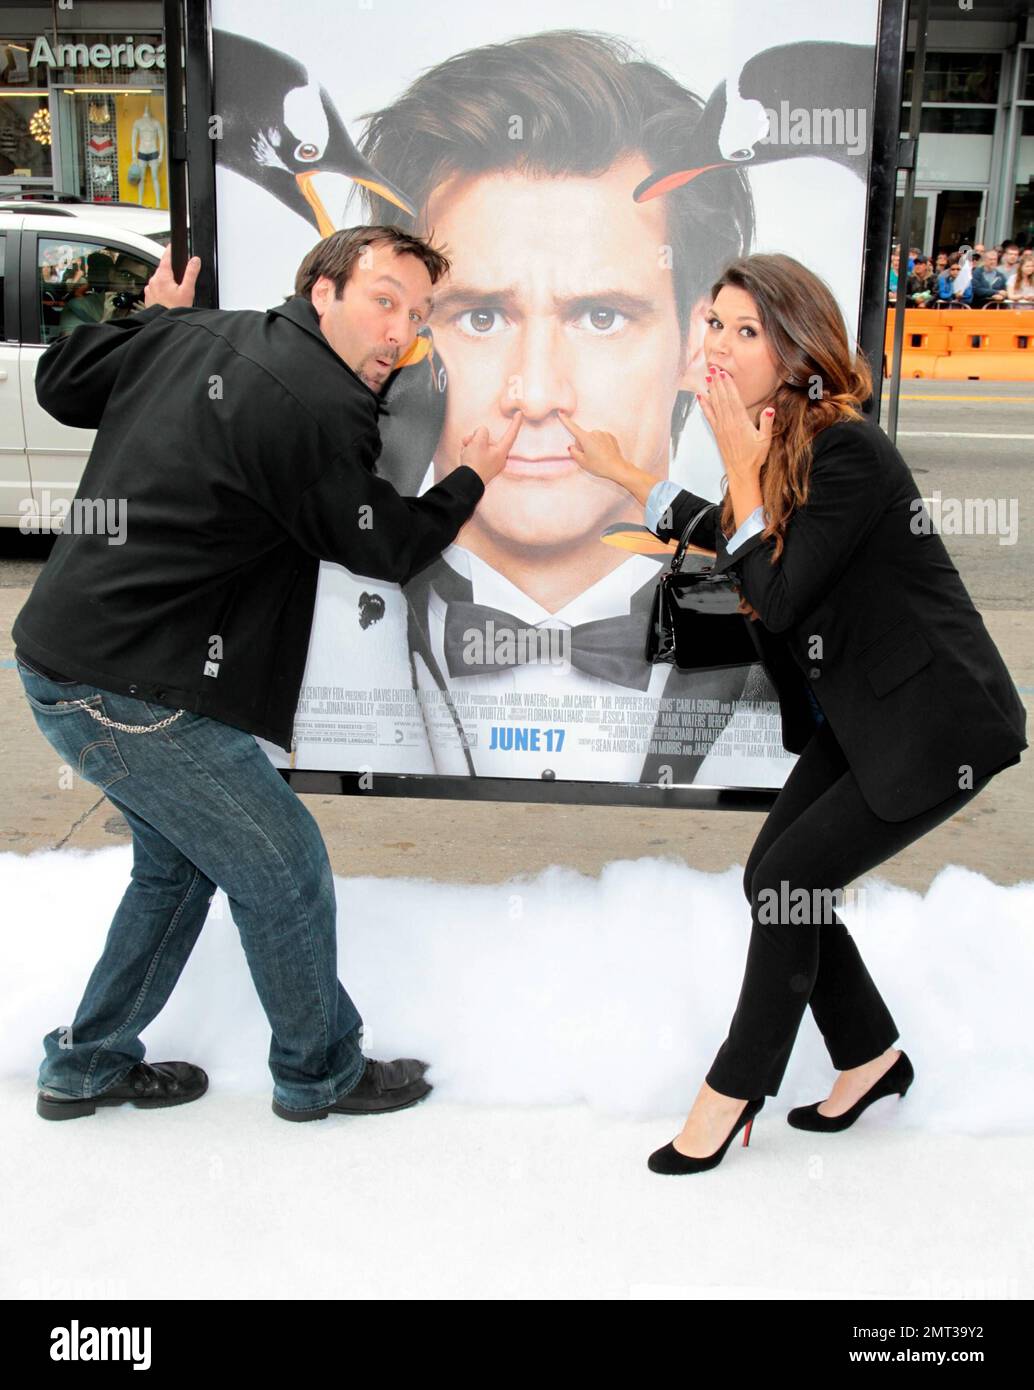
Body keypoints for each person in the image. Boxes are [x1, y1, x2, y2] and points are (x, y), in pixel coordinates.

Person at [13, 226, 518, 1123]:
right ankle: (318, 1074)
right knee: (285, 871)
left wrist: (148, 319)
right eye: (383, 300)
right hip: (138, 693)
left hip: (65, 660)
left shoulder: (199, 332)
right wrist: (470, 472)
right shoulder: (318, 405)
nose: (399, 333)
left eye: (418, 314)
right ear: (322, 292)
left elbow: (61, 384)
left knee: (175, 872)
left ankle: (86, 1065)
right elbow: (386, 546)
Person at [559, 252, 1027, 1175]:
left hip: (934, 725)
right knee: (777, 876)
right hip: (862, 718)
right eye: (717, 326)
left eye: (749, 330)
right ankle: (870, 1058)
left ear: (797, 344)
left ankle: (734, 1090)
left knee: (786, 883)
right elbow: (747, 537)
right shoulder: (785, 444)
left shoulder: (847, 448)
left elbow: (775, 590)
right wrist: (629, 476)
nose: (723, 348)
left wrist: (735, 461)